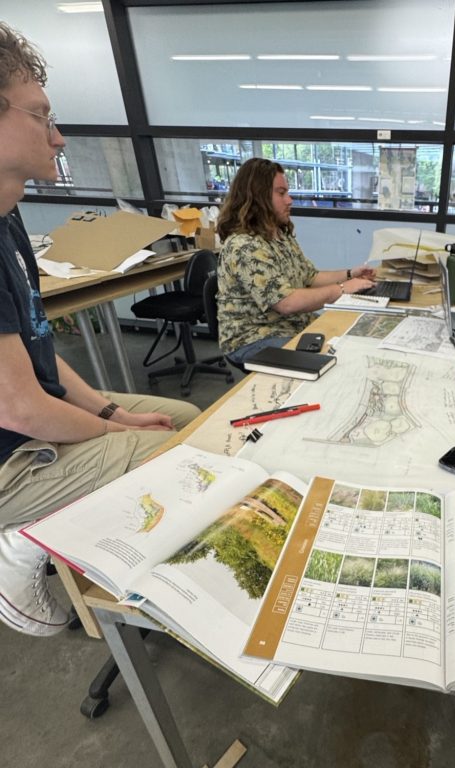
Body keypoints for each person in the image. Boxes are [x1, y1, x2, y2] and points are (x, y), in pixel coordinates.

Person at [0, 23, 200, 636]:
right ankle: (22, 542)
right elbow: (21, 408)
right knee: (183, 459)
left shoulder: (9, 221)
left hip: (24, 427)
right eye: (40, 116)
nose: (57, 136)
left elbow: (38, 357)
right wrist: (114, 429)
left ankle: (99, 542)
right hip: (10, 461)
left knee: (194, 424)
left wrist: (113, 416)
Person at [216, 158, 376, 365]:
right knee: (337, 361)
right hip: (254, 338)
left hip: (290, 325)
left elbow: (310, 277)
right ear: (258, 196)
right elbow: (287, 303)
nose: (289, 200)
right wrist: (344, 289)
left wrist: (350, 274)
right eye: (281, 193)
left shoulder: (278, 234)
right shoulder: (244, 246)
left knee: (351, 338)